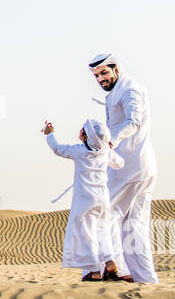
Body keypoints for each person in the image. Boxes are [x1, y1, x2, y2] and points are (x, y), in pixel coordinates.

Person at [86, 52, 159, 283]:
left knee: (102, 214)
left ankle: (109, 270)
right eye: (97, 76)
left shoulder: (129, 90)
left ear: (116, 69)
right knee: (134, 227)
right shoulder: (120, 91)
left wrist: (112, 141)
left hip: (128, 166)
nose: (101, 79)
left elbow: (134, 121)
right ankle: (145, 280)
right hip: (141, 165)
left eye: (104, 73)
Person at [42, 118, 126, 281]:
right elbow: (120, 163)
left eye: (83, 131)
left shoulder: (79, 151)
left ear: (87, 137)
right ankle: (110, 263)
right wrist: (109, 148)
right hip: (103, 199)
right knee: (102, 231)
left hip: (85, 200)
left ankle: (94, 271)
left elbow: (58, 149)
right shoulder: (105, 153)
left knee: (86, 234)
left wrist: (49, 135)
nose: (80, 131)